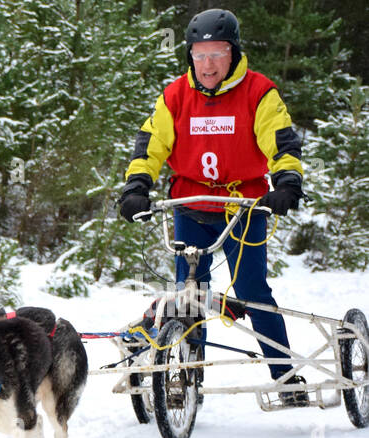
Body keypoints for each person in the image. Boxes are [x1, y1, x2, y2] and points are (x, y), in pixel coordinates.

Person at [118, 8, 308, 405]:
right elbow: (150, 145)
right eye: (199, 54)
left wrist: (287, 181)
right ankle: (188, 379)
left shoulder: (259, 92)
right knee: (191, 293)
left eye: (217, 53)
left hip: (243, 206)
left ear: (233, 53)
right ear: (190, 55)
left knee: (252, 291)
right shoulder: (175, 95)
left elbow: (282, 143)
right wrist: (137, 185)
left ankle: (287, 378)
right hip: (190, 204)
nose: (207, 64)